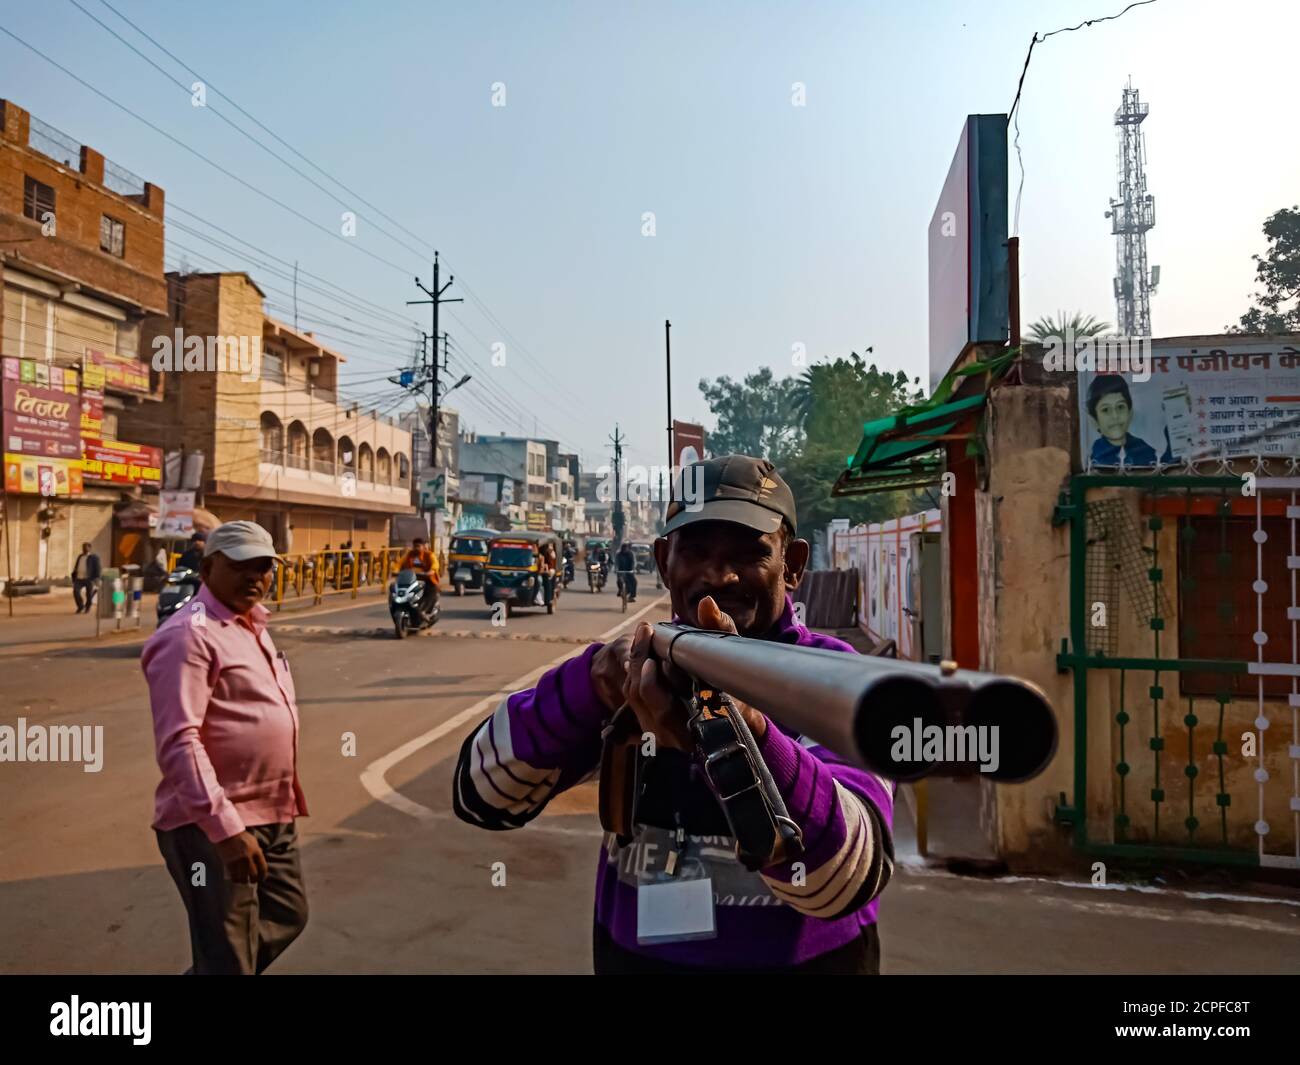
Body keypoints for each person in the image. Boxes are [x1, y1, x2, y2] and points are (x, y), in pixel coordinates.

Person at [453, 455, 893, 973]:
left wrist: (740, 735)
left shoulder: (834, 678)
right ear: (664, 560)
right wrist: (591, 686)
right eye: (695, 551)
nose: (718, 575)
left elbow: (845, 881)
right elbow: (482, 794)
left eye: (750, 553)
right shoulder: (637, 668)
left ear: (792, 564)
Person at [141, 521, 308, 975]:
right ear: (209, 566)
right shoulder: (187, 636)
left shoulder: (252, 624)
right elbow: (179, 741)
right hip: (212, 823)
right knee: (229, 954)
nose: (255, 577)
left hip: (272, 810)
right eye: (241, 567)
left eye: (263, 568)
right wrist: (226, 831)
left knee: (289, 914)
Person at [1086, 373, 1172, 467]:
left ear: (1130, 412)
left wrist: (1176, 421)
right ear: (1095, 420)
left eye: (1120, 407)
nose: (1115, 416)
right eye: (1106, 410)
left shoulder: (1142, 448)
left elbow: (1163, 468)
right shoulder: (1096, 459)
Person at [400, 536, 440, 615]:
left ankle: (425, 610)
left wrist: (431, 571)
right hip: (411, 579)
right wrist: (395, 570)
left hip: (427, 578)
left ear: (423, 546)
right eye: (415, 546)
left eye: (418, 546)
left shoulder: (429, 555)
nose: (416, 548)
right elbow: (399, 563)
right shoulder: (409, 555)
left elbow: (435, 564)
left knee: (432, 589)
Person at [71, 542, 101, 614]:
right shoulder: (80, 556)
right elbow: (76, 566)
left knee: (89, 594)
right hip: (79, 578)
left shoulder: (94, 557)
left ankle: (87, 607)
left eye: (86, 547)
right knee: (76, 591)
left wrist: (97, 578)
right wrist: (74, 573)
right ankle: (80, 606)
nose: (84, 549)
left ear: (90, 548)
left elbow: (98, 568)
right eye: (83, 547)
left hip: (89, 578)